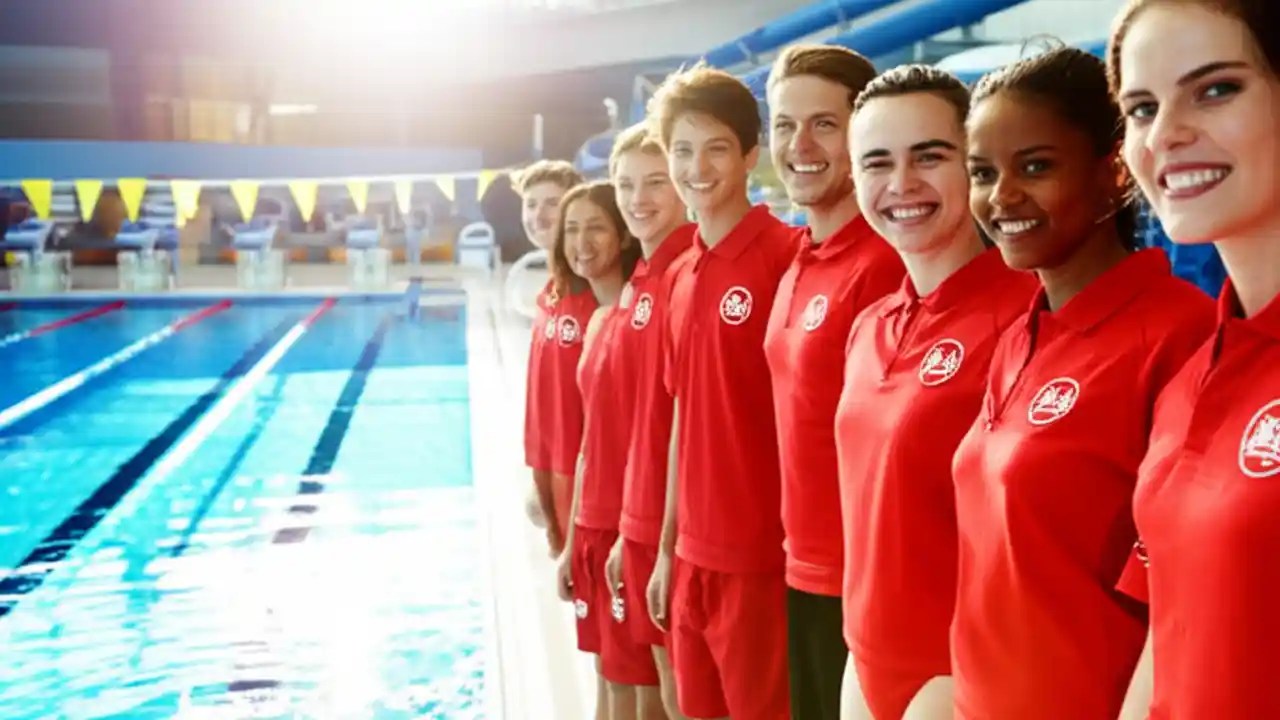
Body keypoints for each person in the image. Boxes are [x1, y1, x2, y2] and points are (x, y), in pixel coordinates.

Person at [947, 45, 1215, 719]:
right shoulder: (1020, 333)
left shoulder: (1179, 337)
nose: (1002, 196)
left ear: (1114, 173)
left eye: (1035, 167)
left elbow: (1192, 590)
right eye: (983, 172)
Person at [835, 65, 1038, 720]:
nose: (901, 184)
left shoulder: (1026, 318)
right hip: (865, 657)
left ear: (975, 167)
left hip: (959, 675)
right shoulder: (870, 327)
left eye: (930, 156)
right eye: (877, 162)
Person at [1107, 1, 1280, 717]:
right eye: (1142, 108)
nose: (1166, 135)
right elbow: (1170, 635)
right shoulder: (1192, 379)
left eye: (1216, 89)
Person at [644, 63, 797, 720]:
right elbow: (683, 413)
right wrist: (665, 547)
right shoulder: (679, 274)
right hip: (691, 556)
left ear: (750, 155)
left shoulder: (786, 256)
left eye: (715, 148)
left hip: (760, 558)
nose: (695, 167)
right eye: (682, 149)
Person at [760, 44, 904, 720]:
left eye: (824, 123)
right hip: (804, 566)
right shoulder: (801, 261)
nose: (800, 144)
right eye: (785, 124)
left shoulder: (885, 265)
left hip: (865, 580)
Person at [553, 180, 663, 720]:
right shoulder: (595, 321)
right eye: (571, 230)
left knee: (637, 685)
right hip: (594, 525)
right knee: (605, 672)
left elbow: (651, 437)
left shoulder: (640, 319)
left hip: (630, 526)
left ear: (622, 235)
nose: (582, 241)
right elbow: (589, 442)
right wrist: (572, 542)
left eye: (595, 226)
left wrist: (631, 532)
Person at [602, 123, 696, 720]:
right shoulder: (642, 279)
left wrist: (662, 542)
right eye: (626, 184)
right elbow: (640, 419)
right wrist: (625, 530)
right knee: (656, 685)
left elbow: (686, 424)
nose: (638, 199)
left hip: (677, 528)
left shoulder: (685, 274)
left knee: (679, 690)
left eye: (655, 183)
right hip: (640, 519)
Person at [516, 160, 589, 556]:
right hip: (556, 469)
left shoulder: (595, 290)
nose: (538, 215)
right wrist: (538, 479)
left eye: (551, 204)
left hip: (589, 477)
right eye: (530, 204)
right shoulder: (548, 295)